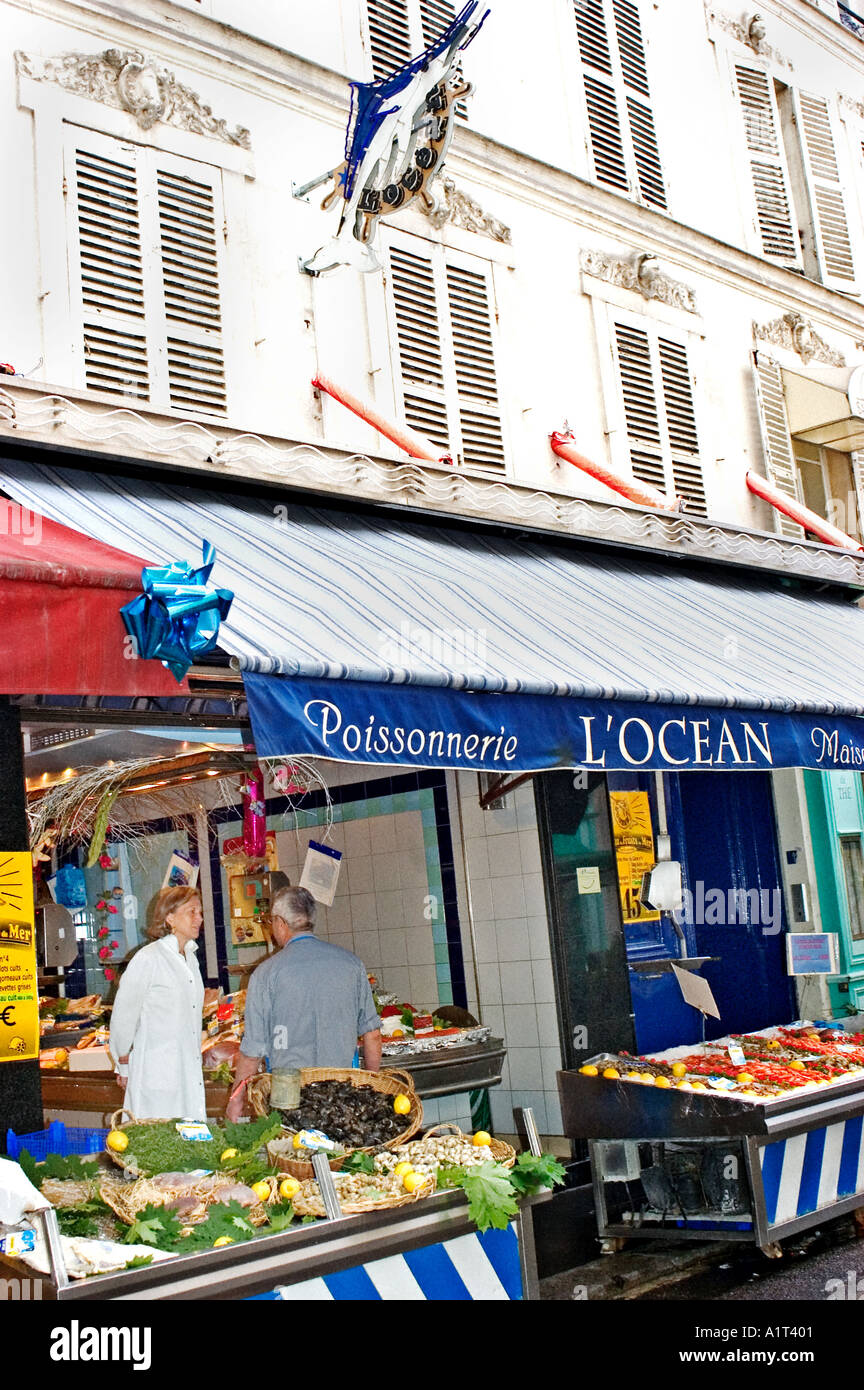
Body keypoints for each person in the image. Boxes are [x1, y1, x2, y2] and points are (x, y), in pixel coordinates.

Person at [226, 886, 381, 1121]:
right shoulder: (352, 965)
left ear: (280, 923)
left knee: (291, 1155)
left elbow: (253, 1051)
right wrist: (372, 1088)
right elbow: (373, 1035)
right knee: (341, 1155)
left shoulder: (266, 974)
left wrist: (236, 1099)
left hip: (288, 1098)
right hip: (343, 1095)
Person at [109, 886, 207, 1121]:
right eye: (192, 912)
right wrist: (123, 1065)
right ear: (169, 917)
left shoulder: (191, 959)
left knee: (189, 1146)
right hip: (157, 1074)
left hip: (188, 1071)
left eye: (200, 912)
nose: (199, 918)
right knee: (157, 1146)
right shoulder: (148, 958)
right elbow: (123, 1020)